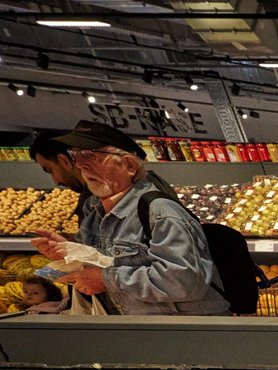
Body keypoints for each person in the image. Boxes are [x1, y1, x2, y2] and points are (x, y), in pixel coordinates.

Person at [30, 127, 227, 316]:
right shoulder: (94, 210)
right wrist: (70, 252)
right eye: (76, 156)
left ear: (129, 165)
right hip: (133, 326)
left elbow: (181, 282)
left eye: (91, 156)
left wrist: (106, 280)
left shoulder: (160, 212)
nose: (81, 165)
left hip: (179, 331)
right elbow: (101, 263)